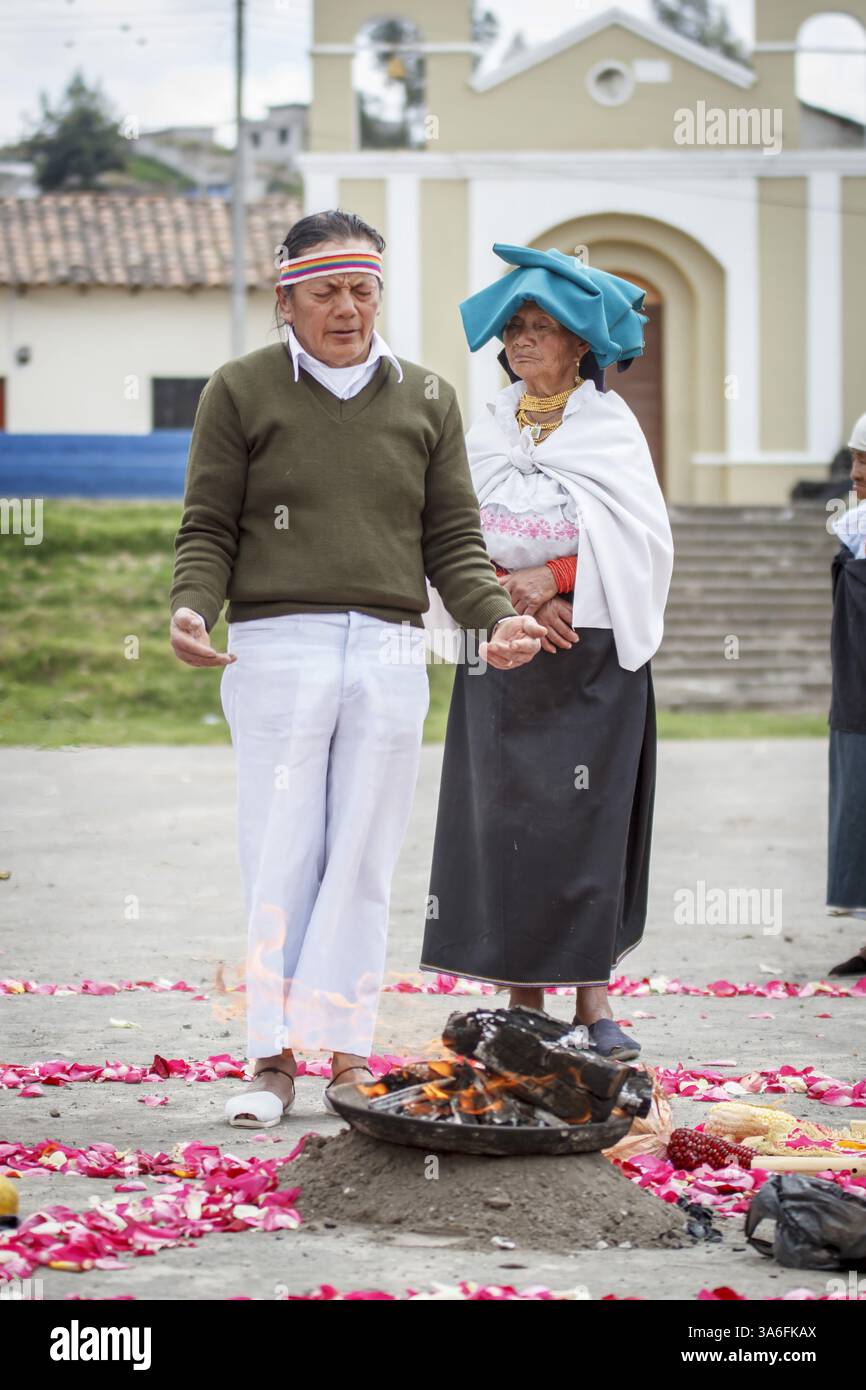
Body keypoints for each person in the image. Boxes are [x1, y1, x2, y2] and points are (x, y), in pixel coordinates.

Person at [168, 211, 545, 1127]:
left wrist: (494, 618)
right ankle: (270, 1060)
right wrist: (191, 606)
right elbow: (209, 525)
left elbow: (453, 536)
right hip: (274, 644)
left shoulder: (426, 396)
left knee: (365, 857)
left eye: (363, 289)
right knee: (279, 849)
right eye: (328, 290)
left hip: (388, 647)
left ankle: (344, 1057)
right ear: (286, 298)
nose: (348, 307)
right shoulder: (239, 389)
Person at [420, 243, 674, 1060]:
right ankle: (519, 998)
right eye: (518, 328)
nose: (526, 341)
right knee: (506, 821)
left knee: (587, 822)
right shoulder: (487, 425)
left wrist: (560, 582)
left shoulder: (610, 427)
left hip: (590, 660)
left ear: (580, 347)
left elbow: (641, 540)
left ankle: (593, 1002)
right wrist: (506, 597)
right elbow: (451, 529)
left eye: (545, 328)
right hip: (506, 655)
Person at [827, 411, 866, 977]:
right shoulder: (855, 528)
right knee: (859, 803)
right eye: (856, 459)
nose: (856, 472)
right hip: (858, 688)